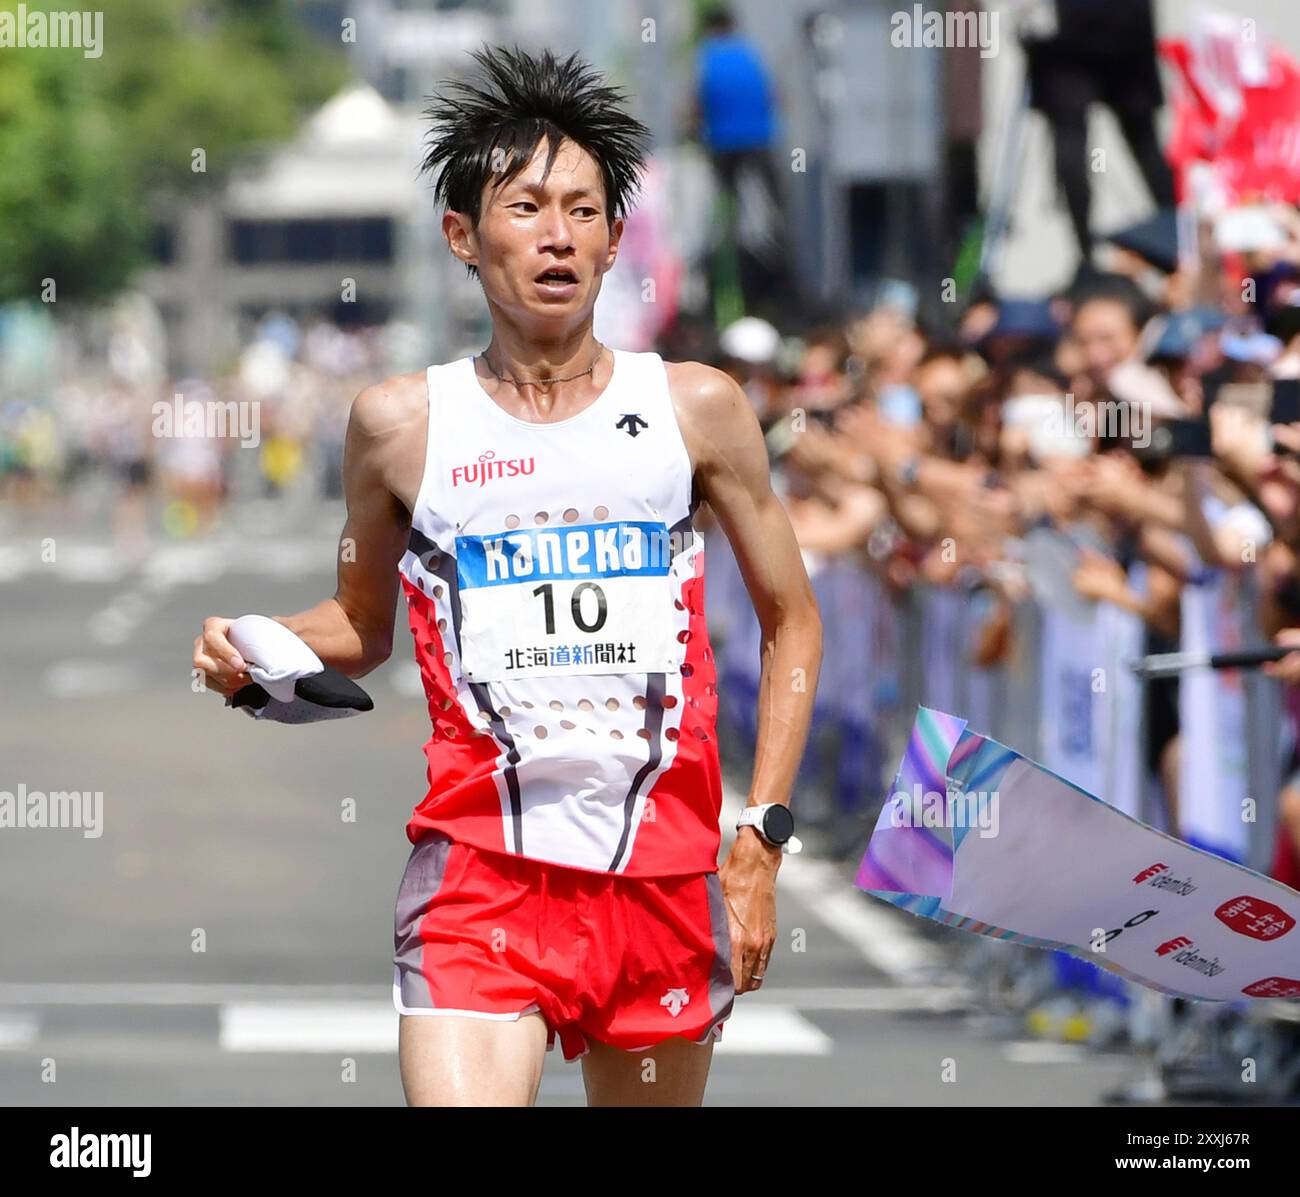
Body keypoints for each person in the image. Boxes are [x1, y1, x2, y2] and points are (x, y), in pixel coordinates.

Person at [192, 45, 823, 1107]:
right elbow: (362, 625)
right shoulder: (399, 426)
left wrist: (758, 836)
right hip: (480, 871)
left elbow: (792, 623)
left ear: (616, 238)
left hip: (662, 876)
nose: (557, 233)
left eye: (582, 209)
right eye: (526, 207)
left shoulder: (697, 408)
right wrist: (254, 646)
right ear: (462, 236)